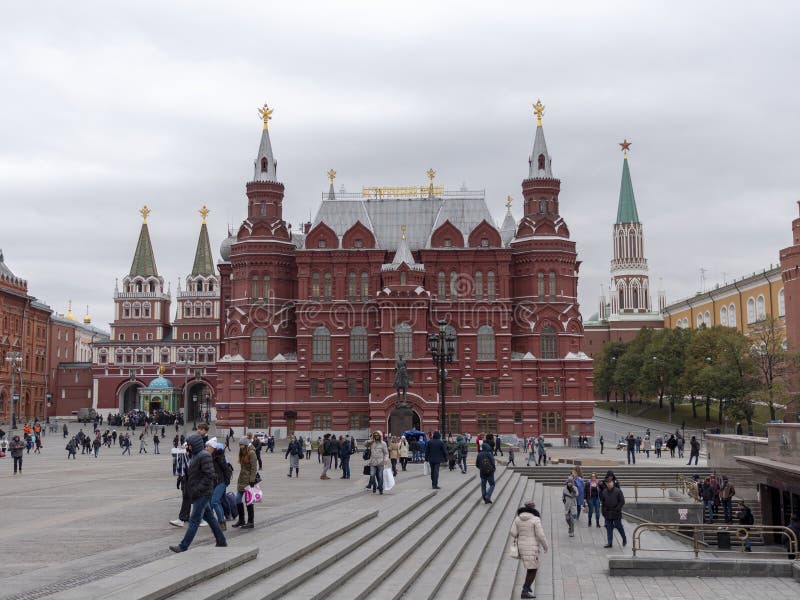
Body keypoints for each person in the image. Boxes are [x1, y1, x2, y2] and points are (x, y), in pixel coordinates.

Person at [169, 434, 227, 552]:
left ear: (194, 445)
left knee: (194, 520)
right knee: (210, 518)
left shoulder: (204, 456)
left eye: (189, 445)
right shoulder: (196, 455)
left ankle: (183, 546)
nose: (188, 447)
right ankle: (221, 541)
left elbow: (209, 475)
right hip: (199, 492)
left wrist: (198, 489)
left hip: (202, 493)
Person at [510, 501, 548, 599]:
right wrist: (545, 546)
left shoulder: (518, 518)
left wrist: (521, 534)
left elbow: (513, 532)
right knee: (533, 568)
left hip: (521, 546)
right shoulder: (535, 519)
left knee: (530, 567)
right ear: (533, 508)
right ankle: (525, 590)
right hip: (532, 547)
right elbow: (541, 535)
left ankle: (527, 585)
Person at [233, 438, 258, 529]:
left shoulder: (251, 453)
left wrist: (252, 480)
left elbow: (254, 468)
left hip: (248, 480)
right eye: (240, 445)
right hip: (242, 479)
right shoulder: (242, 452)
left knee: (248, 501)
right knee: (237, 499)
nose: (240, 446)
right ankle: (241, 520)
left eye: (242, 445)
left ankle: (250, 522)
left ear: (246, 445)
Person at [209, 440, 231, 531]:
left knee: (215, 501)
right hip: (213, 483)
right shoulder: (210, 457)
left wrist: (226, 482)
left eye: (208, 447)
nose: (206, 448)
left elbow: (226, 470)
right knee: (213, 502)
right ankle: (218, 521)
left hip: (220, 482)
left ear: (213, 448)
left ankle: (222, 522)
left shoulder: (219, 457)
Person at [601, 476, 627, 548]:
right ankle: (610, 543)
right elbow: (603, 502)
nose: (609, 484)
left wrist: (617, 509)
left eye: (610, 482)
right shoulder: (604, 492)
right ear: (606, 484)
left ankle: (624, 538)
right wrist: (603, 511)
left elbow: (622, 501)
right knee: (609, 528)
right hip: (608, 513)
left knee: (619, 526)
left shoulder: (618, 491)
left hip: (616, 513)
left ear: (612, 483)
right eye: (607, 483)